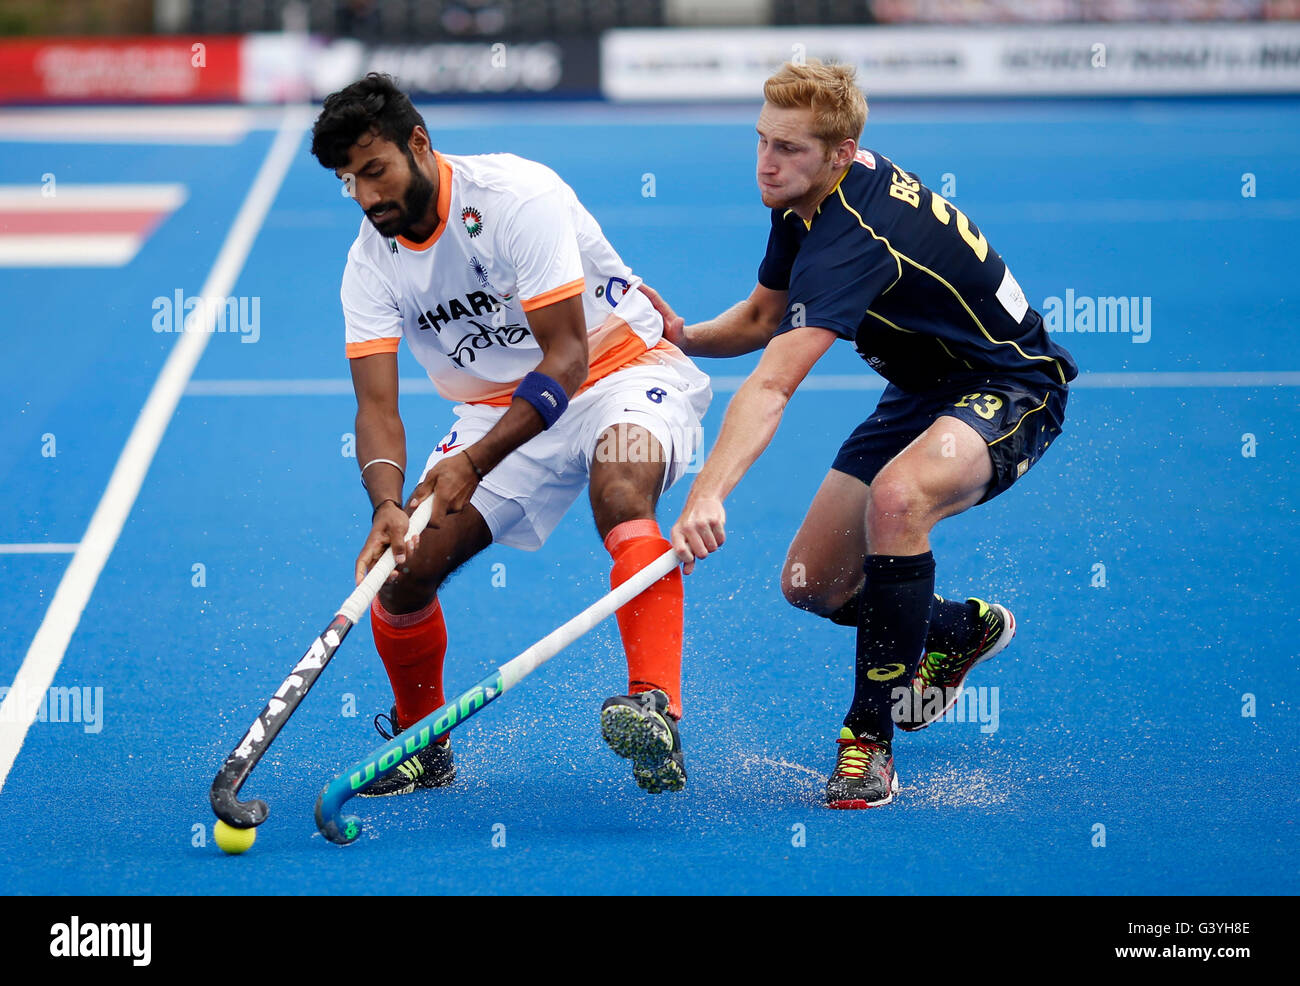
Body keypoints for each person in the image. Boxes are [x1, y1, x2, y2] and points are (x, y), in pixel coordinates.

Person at [650, 59, 1077, 808]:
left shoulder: (852, 235)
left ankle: (867, 742)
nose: (767, 163)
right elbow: (760, 319)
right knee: (813, 585)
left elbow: (775, 382)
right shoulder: (804, 196)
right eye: (761, 141)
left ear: (841, 154)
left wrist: (708, 494)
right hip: (922, 388)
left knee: (900, 499)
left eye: (788, 150)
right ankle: (954, 628)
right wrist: (682, 337)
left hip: (1009, 385)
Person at [310, 74, 711, 796]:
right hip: (496, 412)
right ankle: (419, 742)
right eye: (350, 183)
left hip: (618, 373)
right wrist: (386, 505)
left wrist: (474, 461)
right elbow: (377, 407)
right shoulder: (369, 265)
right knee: (401, 574)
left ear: (420, 144)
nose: (367, 197)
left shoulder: (514, 199)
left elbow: (567, 357)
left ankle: (654, 705)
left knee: (621, 491)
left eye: (376, 171)